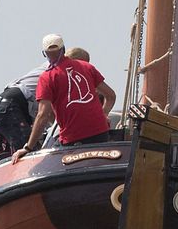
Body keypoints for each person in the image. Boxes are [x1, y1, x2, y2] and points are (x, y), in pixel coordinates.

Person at [11, 34, 116, 163]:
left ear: (45, 54)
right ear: (64, 49)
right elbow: (111, 96)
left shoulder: (47, 77)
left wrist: (28, 148)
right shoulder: (87, 67)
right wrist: (102, 114)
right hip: (100, 133)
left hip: (73, 138)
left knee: (47, 159)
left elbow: (43, 115)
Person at [0, 63, 46, 151]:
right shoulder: (57, 72)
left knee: (22, 146)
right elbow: (46, 114)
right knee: (28, 149)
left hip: (2, 106)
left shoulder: (47, 66)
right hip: (10, 108)